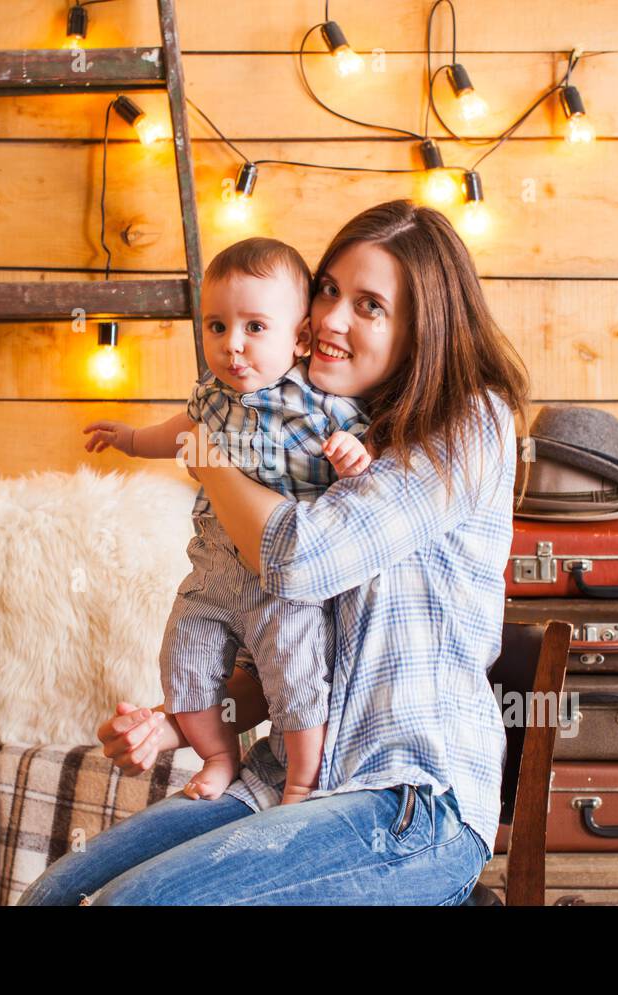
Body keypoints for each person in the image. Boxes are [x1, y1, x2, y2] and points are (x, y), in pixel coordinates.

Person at [19, 198, 531, 906]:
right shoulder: (318, 437)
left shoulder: (468, 422)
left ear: (423, 331)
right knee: (51, 895)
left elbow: (297, 559)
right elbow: (292, 652)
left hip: (410, 803)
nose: (330, 320)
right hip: (282, 780)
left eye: (369, 305)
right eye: (328, 291)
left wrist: (206, 453)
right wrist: (175, 726)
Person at [82, 237, 372, 806]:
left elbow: (363, 451)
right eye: (217, 327)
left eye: (254, 328)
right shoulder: (212, 396)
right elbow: (177, 431)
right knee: (181, 662)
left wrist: (353, 454)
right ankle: (219, 755)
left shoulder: (319, 403)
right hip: (213, 574)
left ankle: (300, 783)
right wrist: (132, 441)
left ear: (300, 337)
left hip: (281, 587)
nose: (232, 345)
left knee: (296, 682)